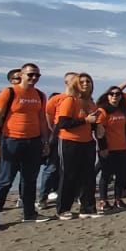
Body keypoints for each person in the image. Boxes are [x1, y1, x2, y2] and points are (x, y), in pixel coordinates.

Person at [0, 64, 52, 231]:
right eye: (30, 75)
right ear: (21, 75)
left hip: (33, 142)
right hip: (11, 141)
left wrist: (45, 142)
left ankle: (29, 214)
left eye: (37, 75)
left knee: (29, 180)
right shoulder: (8, 93)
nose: (34, 78)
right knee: (5, 180)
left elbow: (42, 120)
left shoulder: (40, 95)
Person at [54, 72, 103, 219]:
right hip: (69, 141)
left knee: (88, 176)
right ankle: (63, 209)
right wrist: (86, 121)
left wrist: (98, 127)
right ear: (76, 84)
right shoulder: (70, 101)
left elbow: (94, 122)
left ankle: (87, 208)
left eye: (88, 81)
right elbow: (63, 124)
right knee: (69, 175)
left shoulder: (91, 103)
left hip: (87, 142)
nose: (86, 84)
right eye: (82, 82)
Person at [37, 72, 78, 209]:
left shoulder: (81, 99)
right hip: (59, 136)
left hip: (76, 139)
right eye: (73, 80)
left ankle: (71, 195)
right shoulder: (57, 99)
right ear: (66, 82)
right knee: (52, 168)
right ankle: (42, 197)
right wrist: (52, 133)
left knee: (71, 169)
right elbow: (47, 117)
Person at [95, 86, 126, 212]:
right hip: (108, 148)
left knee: (121, 174)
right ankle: (103, 200)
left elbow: (125, 128)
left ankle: (118, 199)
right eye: (112, 94)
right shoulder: (103, 110)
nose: (114, 96)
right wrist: (103, 147)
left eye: (117, 94)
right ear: (107, 96)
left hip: (122, 147)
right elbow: (99, 131)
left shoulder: (123, 110)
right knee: (106, 175)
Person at [0, 68, 21, 192]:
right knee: (1, 173)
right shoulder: (5, 94)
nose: (20, 80)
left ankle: (22, 198)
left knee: (26, 174)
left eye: (22, 77)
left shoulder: (34, 95)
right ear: (11, 80)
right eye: (17, 78)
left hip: (26, 141)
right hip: (6, 140)